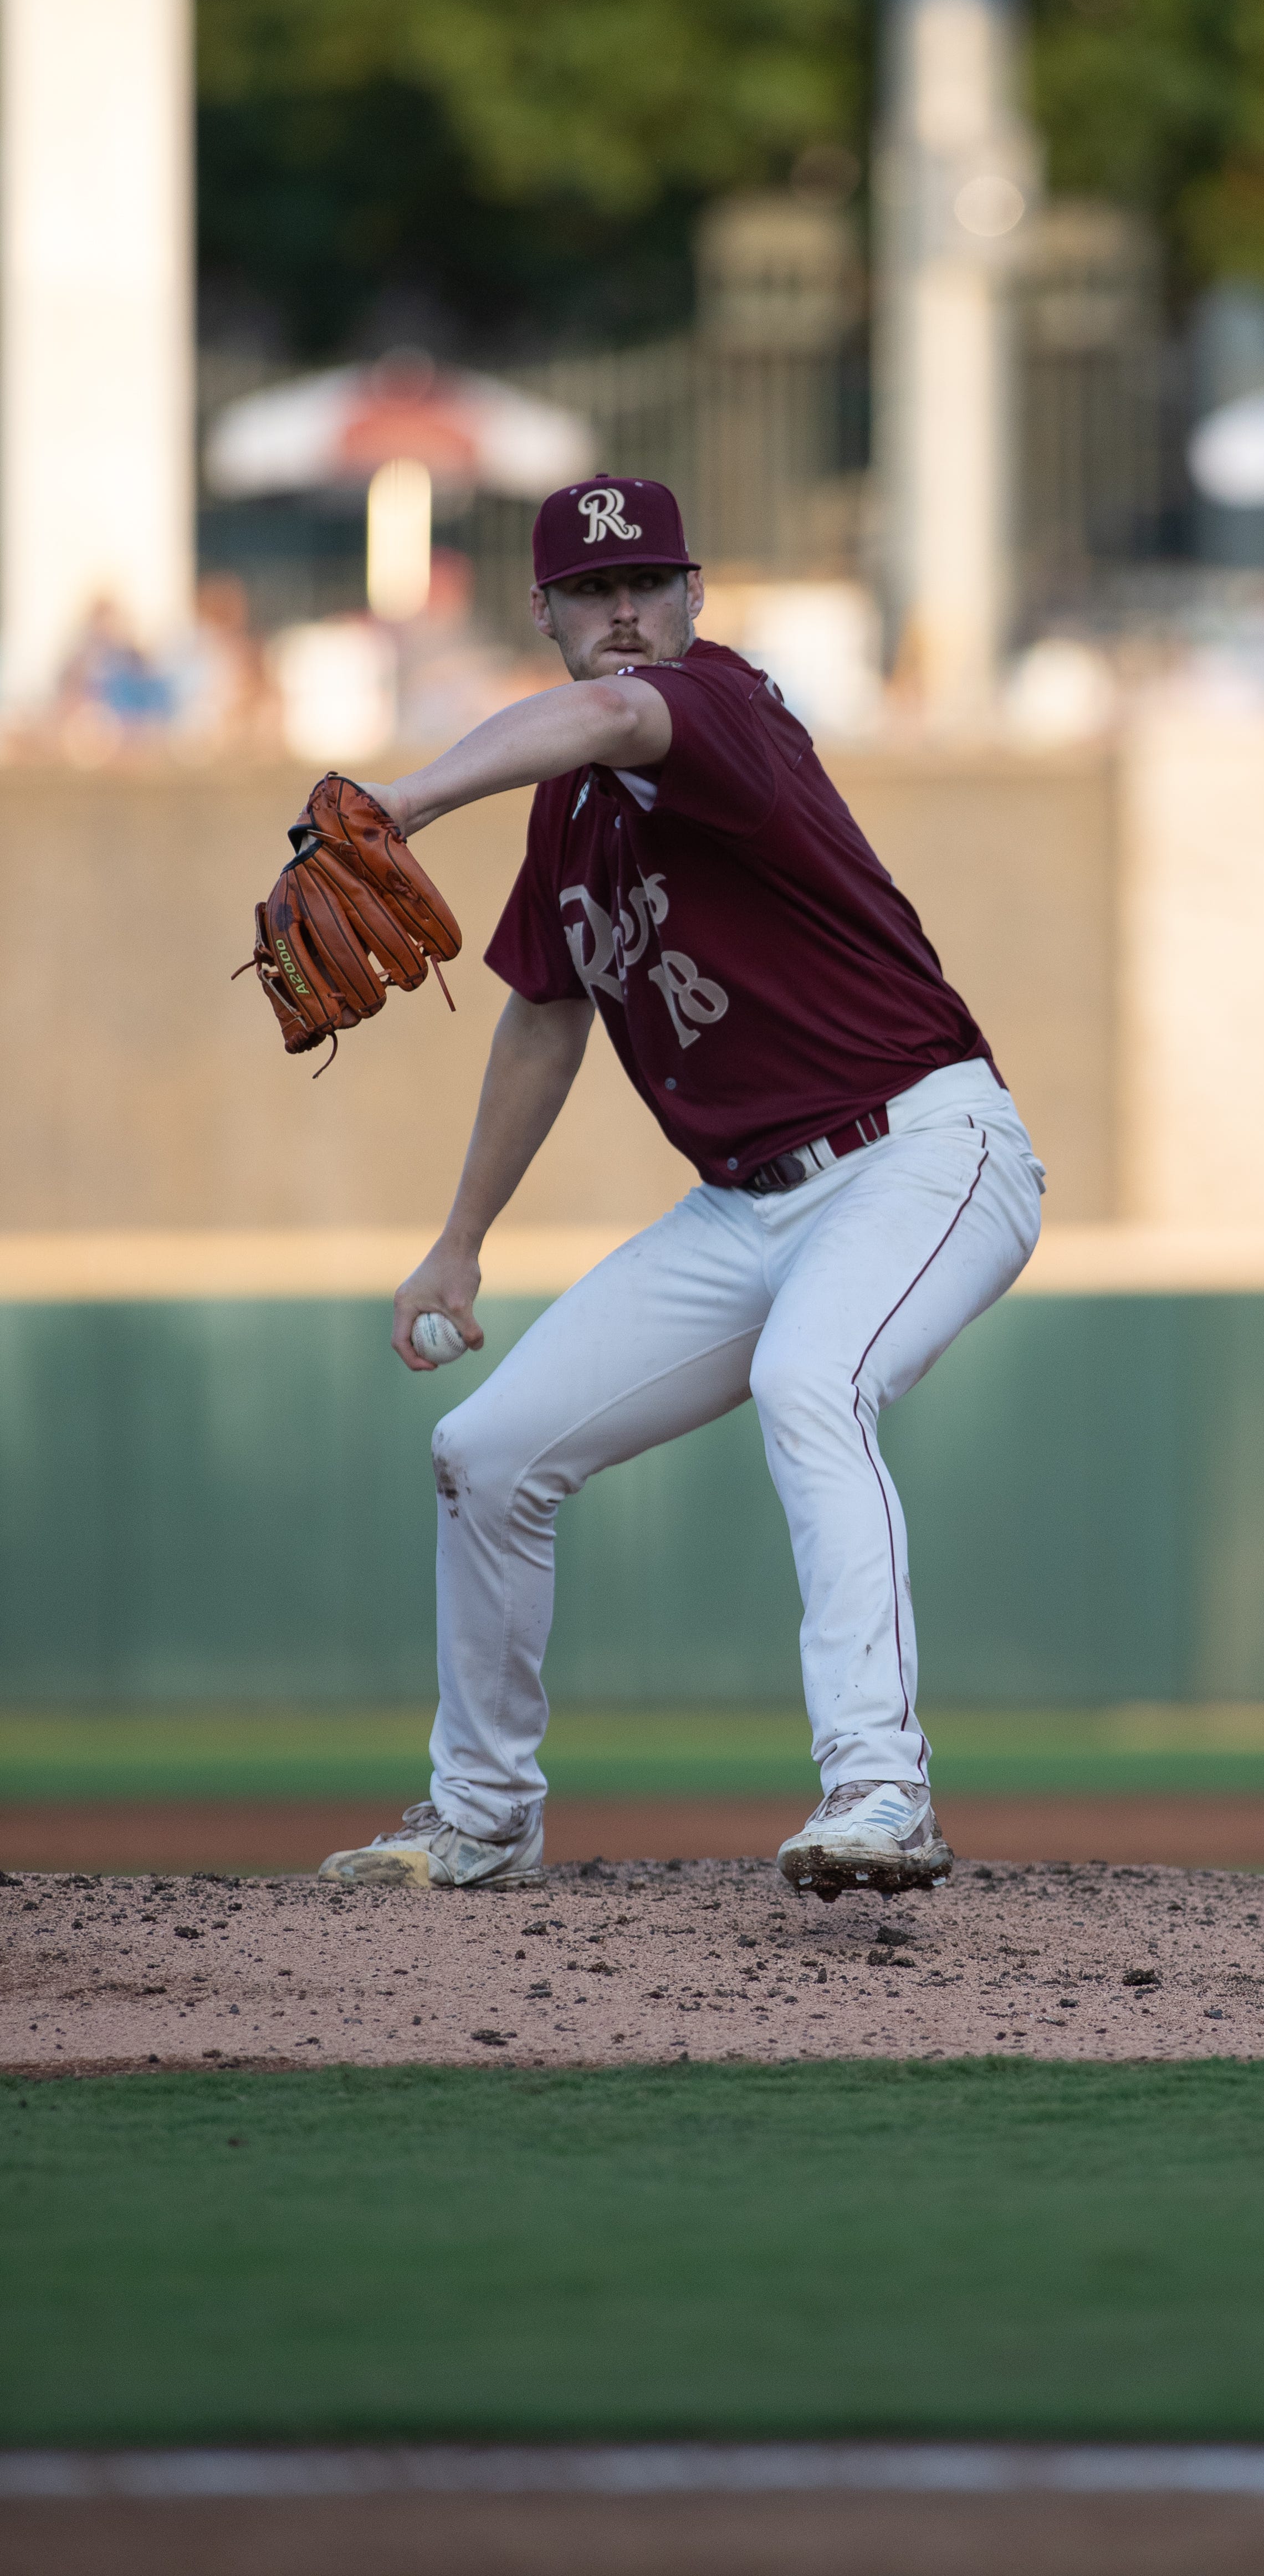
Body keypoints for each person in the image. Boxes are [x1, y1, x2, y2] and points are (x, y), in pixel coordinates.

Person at [317, 474, 1043, 1897]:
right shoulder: (570, 818)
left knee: (809, 1382)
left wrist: (396, 802)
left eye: (647, 582)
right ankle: (480, 1816)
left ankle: (881, 1793)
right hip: (742, 1208)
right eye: (593, 592)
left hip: (920, 1150)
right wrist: (458, 1243)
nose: (625, 611)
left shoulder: (716, 705)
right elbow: (543, 1014)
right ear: (544, 612)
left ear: (697, 595)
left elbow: (610, 715)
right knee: (489, 1450)